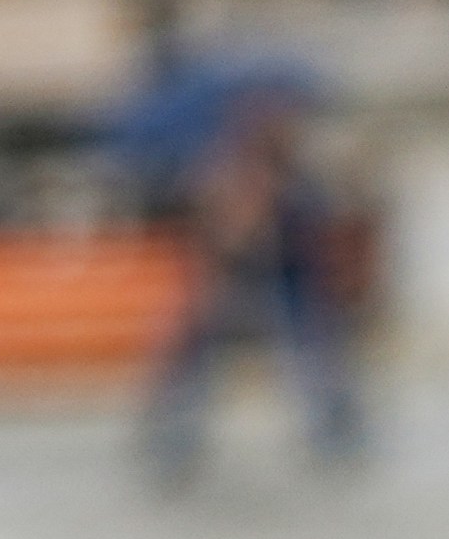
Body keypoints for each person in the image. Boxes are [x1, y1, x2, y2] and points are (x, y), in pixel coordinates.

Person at [146, 75, 368, 484]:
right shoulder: (222, 169)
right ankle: (173, 436)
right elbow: (221, 234)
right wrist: (244, 217)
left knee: (317, 348)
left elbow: (319, 228)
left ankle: (337, 425)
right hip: (235, 276)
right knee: (195, 354)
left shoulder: (295, 175)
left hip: (289, 278)